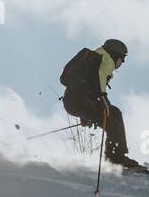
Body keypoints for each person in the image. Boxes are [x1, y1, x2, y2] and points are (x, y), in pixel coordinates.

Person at [59, 38, 142, 170]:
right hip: (80, 102)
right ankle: (115, 158)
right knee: (113, 119)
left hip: (72, 102)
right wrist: (103, 99)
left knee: (114, 114)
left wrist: (85, 115)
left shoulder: (95, 58)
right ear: (116, 55)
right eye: (123, 58)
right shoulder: (106, 59)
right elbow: (99, 77)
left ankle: (114, 156)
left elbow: (86, 86)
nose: (122, 62)